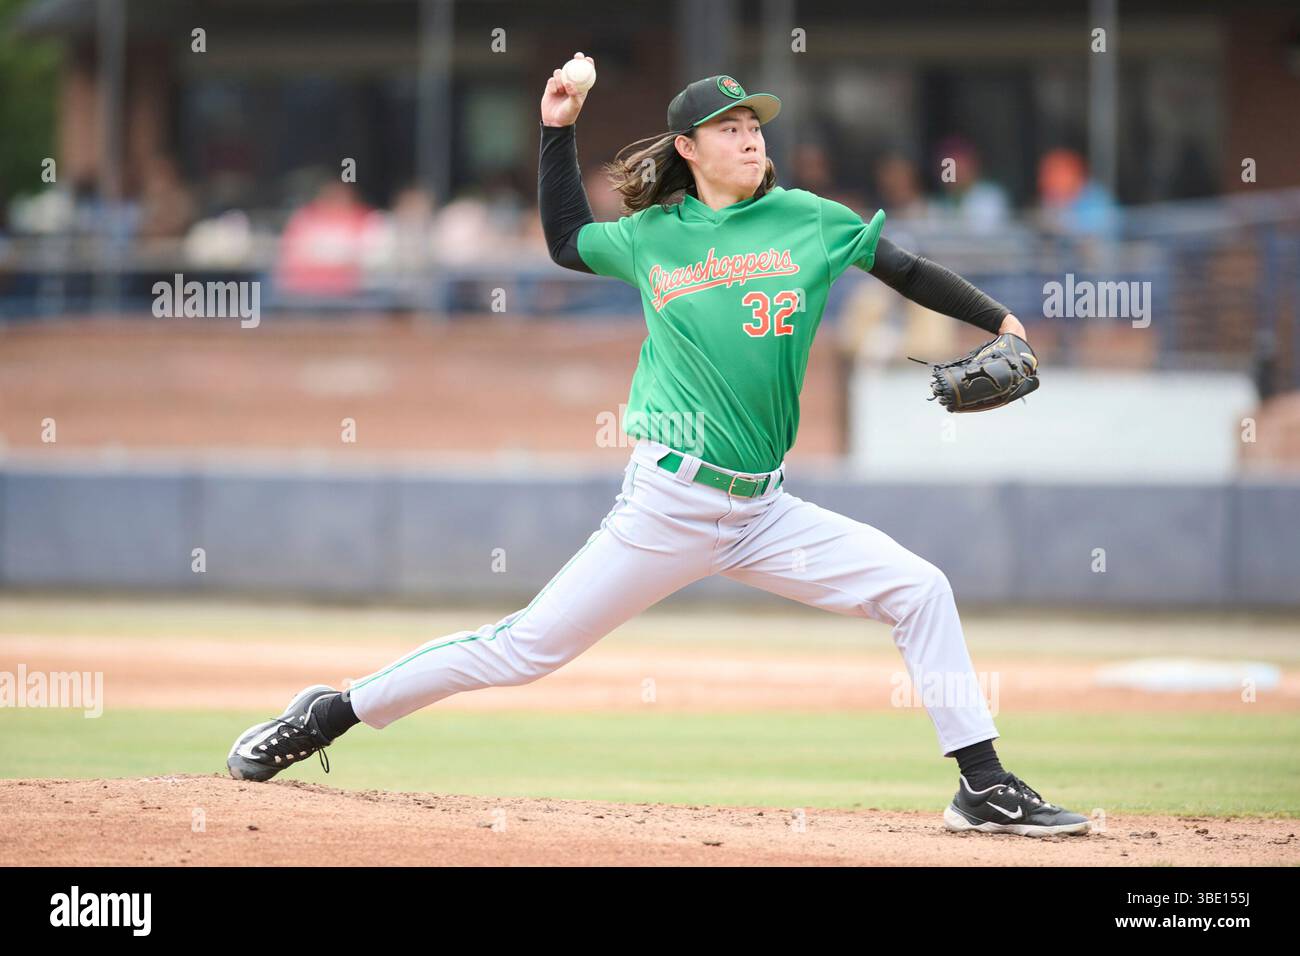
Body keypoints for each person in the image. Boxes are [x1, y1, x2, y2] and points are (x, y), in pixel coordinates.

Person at [225, 60, 1090, 839]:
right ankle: (332, 713)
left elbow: (904, 270)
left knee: (919, 588)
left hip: (763, 509)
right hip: (668, 503)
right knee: (525, 650)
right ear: (689, 147)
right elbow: (566, 242)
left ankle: (982, 786)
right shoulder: (654, 235)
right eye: (730, 127)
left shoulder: (810, 221)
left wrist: (1002, 322)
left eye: (756, 126)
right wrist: (557, 127)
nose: (751, 137)